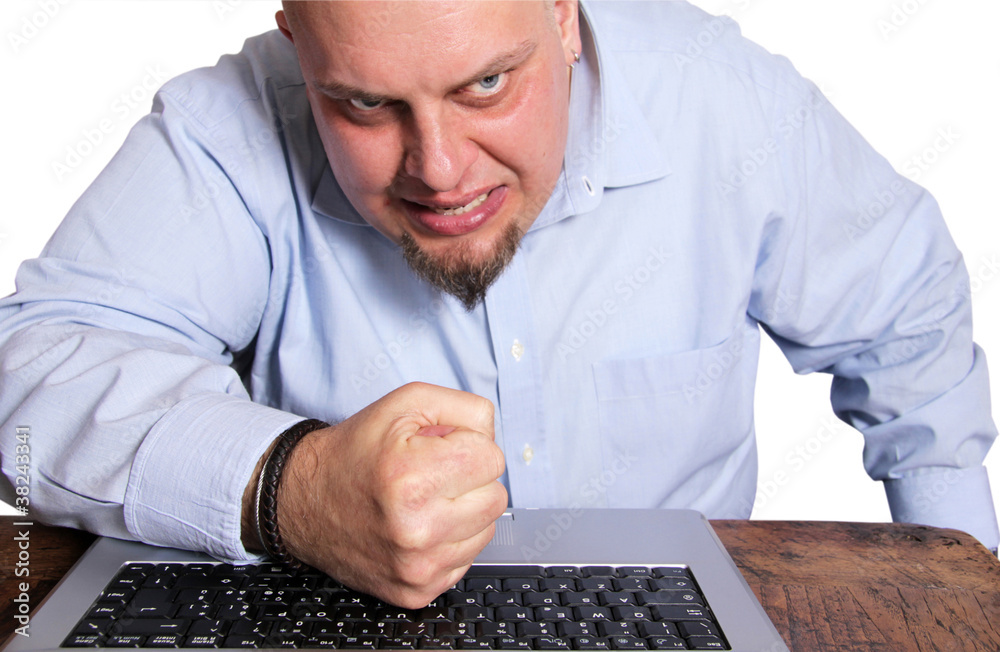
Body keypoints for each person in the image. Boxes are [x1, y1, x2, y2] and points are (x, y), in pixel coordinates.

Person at [1, 0, 997, 609]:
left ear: (563, 14)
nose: (438, 173)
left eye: (486, 84)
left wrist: (964, 598)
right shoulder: (227, 126)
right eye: (362, 104)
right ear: (294, 40)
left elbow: (903, 316)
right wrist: (286, 488)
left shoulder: (720, 100)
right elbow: (33, 377)